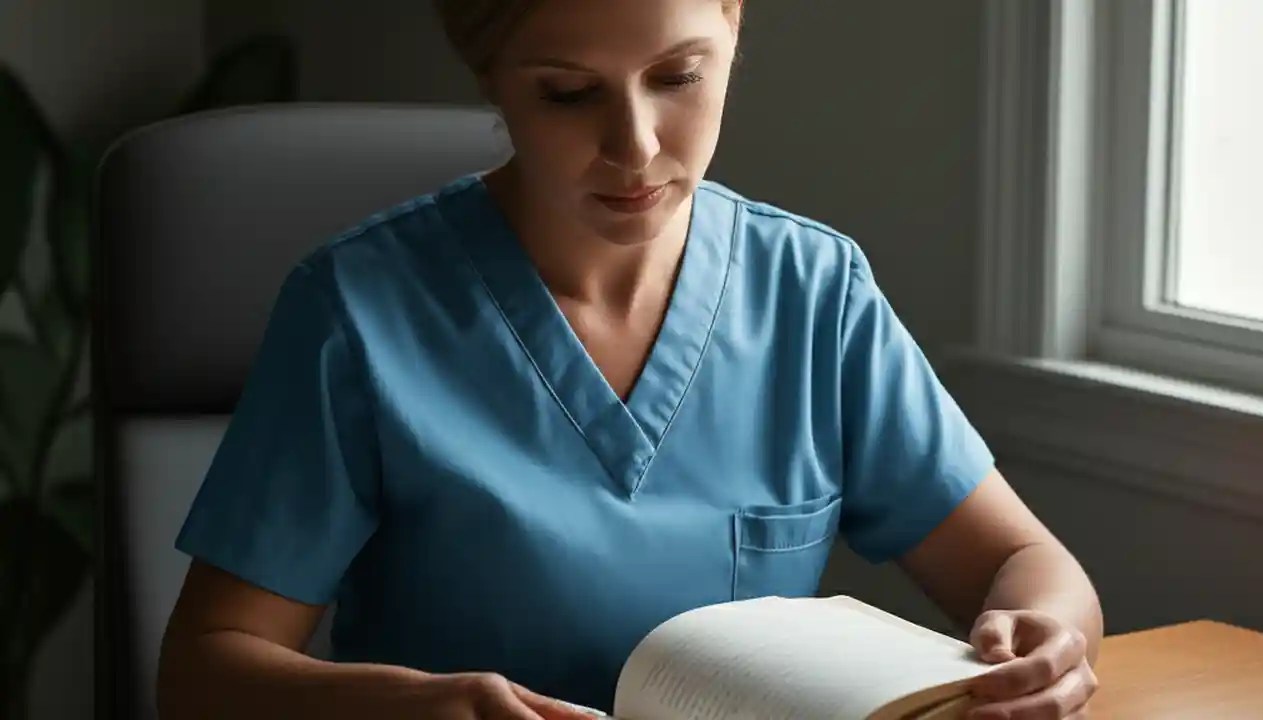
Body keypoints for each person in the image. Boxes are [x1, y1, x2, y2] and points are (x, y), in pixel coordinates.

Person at [156, 1, 1103, 718]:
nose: (636, 147)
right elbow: (204, 670)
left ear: (733, 30)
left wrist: (1047, 636)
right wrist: (410, 708)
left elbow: (1023, 561)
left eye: (679, 77)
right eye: (569, 93)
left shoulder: (814, 292)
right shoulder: (359, 312)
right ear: (491, 75)